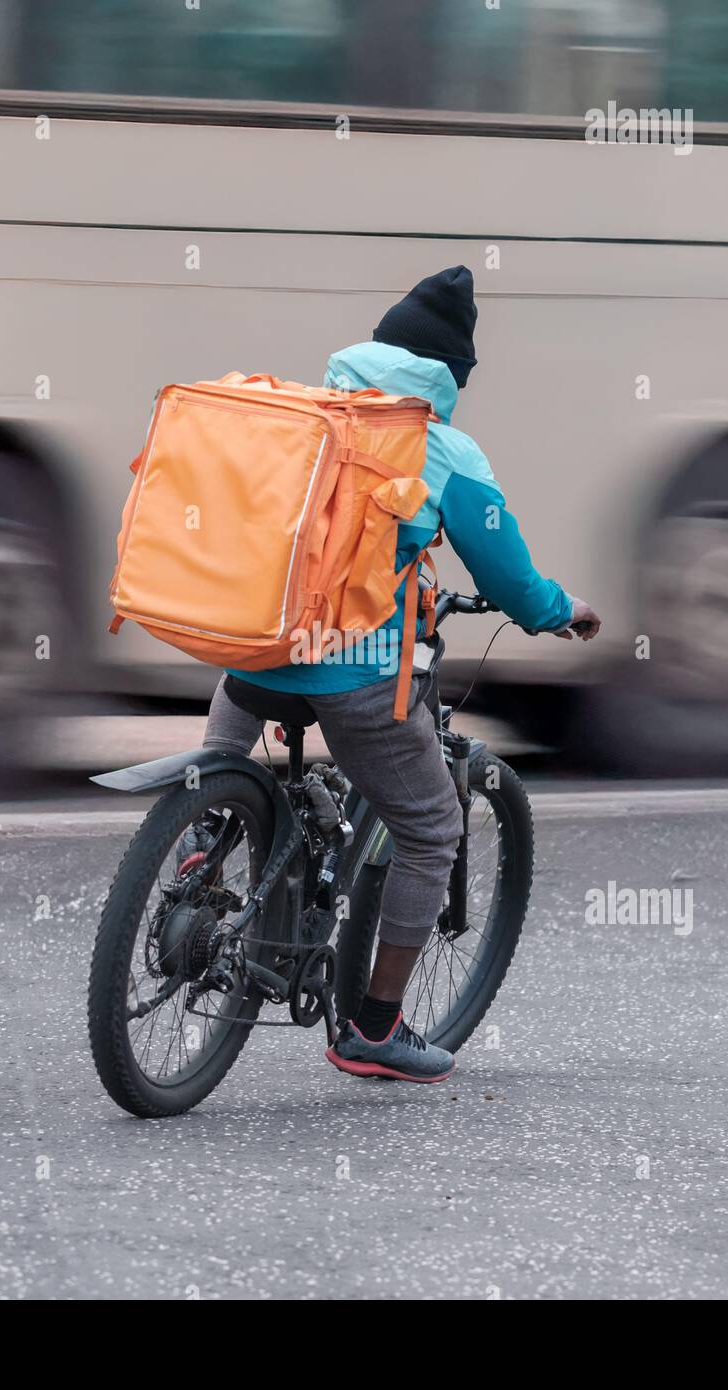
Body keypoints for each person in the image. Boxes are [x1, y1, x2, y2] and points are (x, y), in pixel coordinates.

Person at [201, 266, 600, 1083]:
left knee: (235, 741)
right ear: (451, 377)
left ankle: (203, 840)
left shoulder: (308, 414)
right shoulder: (441, 447)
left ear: (376, 349)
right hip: (351, 678)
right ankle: (373, 1031)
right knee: (429, 830)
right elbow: (507, 579)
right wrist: (561, 610)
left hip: (252, 654)